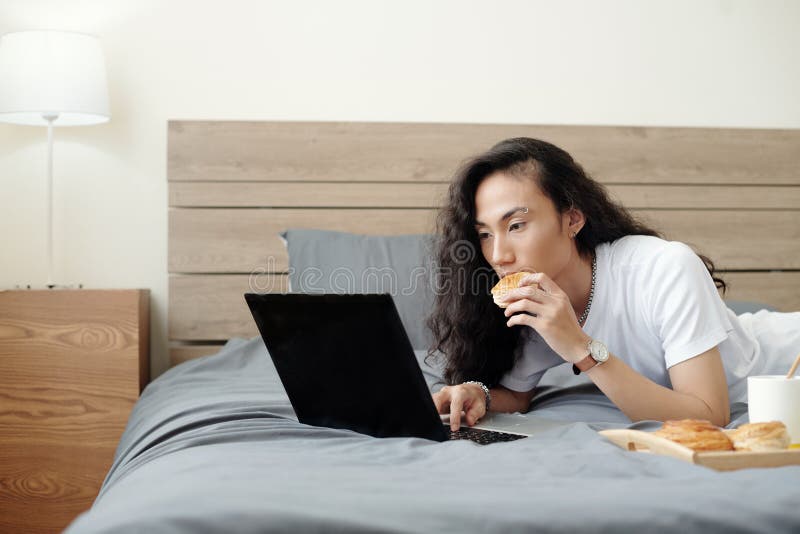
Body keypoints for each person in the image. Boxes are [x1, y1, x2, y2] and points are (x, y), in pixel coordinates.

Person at [427, 137, 799, 431]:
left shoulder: (665, 267)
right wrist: (479, 393)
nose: (499, 255)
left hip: (787, 365)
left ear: (572, 219)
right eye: (485, 234)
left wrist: (580, 347)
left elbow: (710, 415)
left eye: (516, 225)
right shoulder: (536, 299)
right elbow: (517, 395)